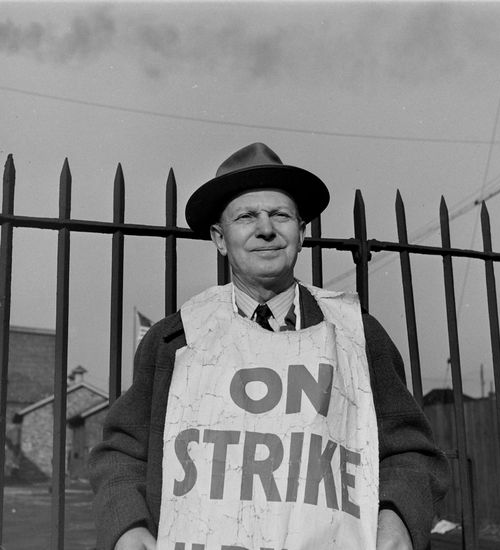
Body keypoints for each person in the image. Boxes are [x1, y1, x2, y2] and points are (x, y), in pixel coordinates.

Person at [89, 142, 449, 550]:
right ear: (220, 238)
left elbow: (410, 451)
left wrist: (397, 518)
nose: (265, 229)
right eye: (246, 217)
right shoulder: (177, 340)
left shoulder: (356, 335)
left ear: (301, 232)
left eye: (280, 215)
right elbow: (121, 453)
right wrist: (128, 527)